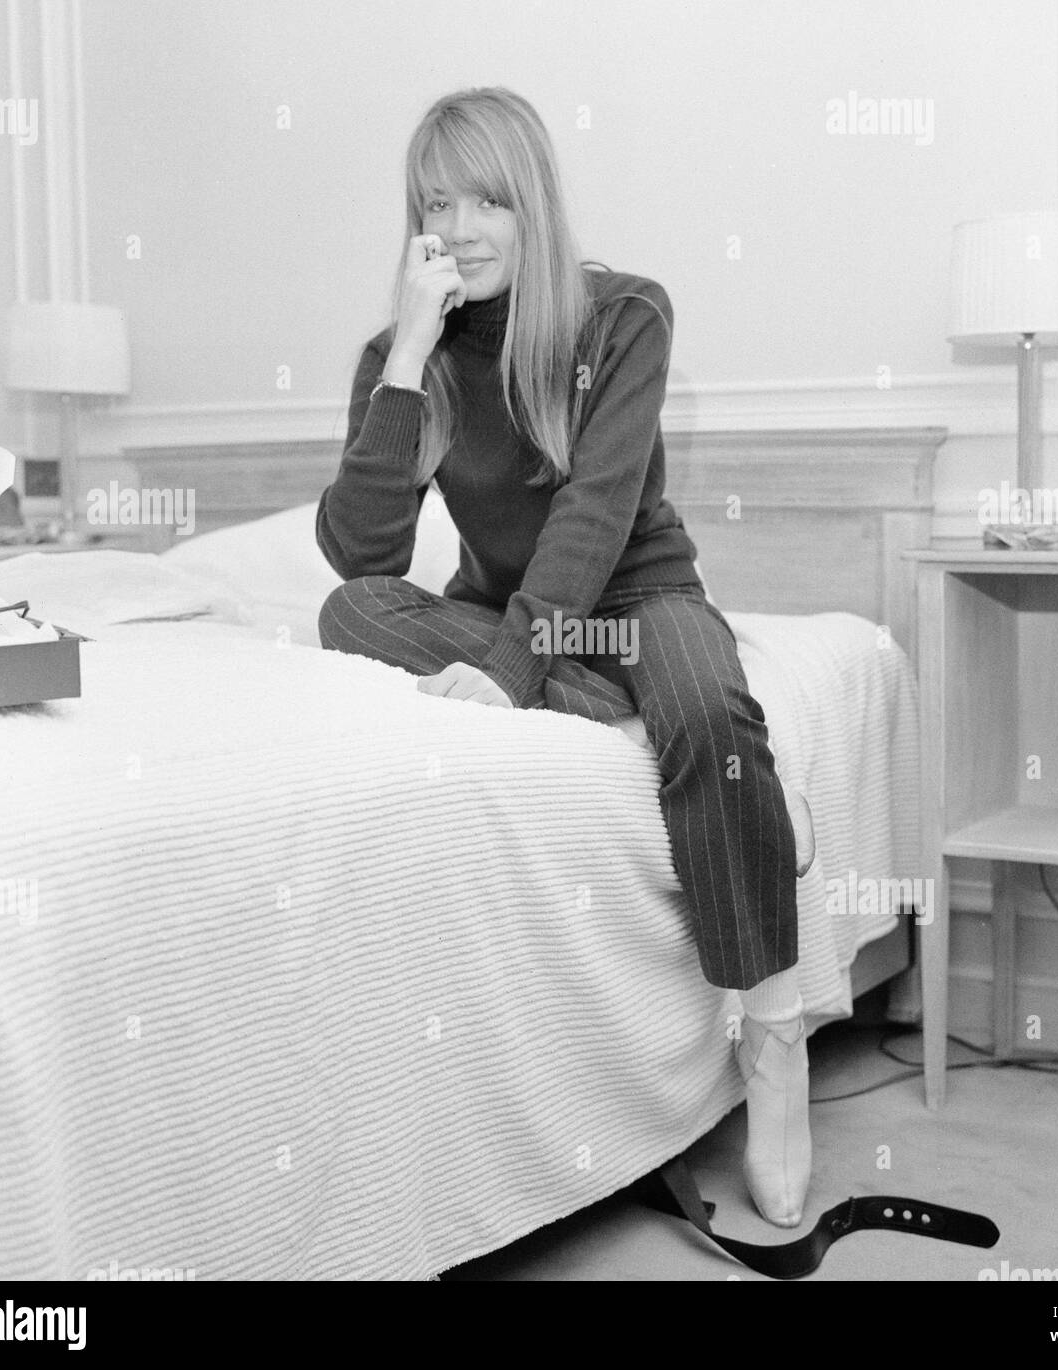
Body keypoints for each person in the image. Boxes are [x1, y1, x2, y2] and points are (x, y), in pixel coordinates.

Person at [316, 86, 817, 1227]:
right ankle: (593, 702)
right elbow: (363, 552)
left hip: (635, 599)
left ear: (531, 201)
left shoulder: (625, 315)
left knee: (708, 712)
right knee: (351, 617)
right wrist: (404, 353)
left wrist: (506, 674)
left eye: (488, 196)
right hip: (498, 608)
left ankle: (775, 1039)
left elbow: (594, 516)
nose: (465, 223)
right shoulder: (408, 353)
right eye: (439, 201)